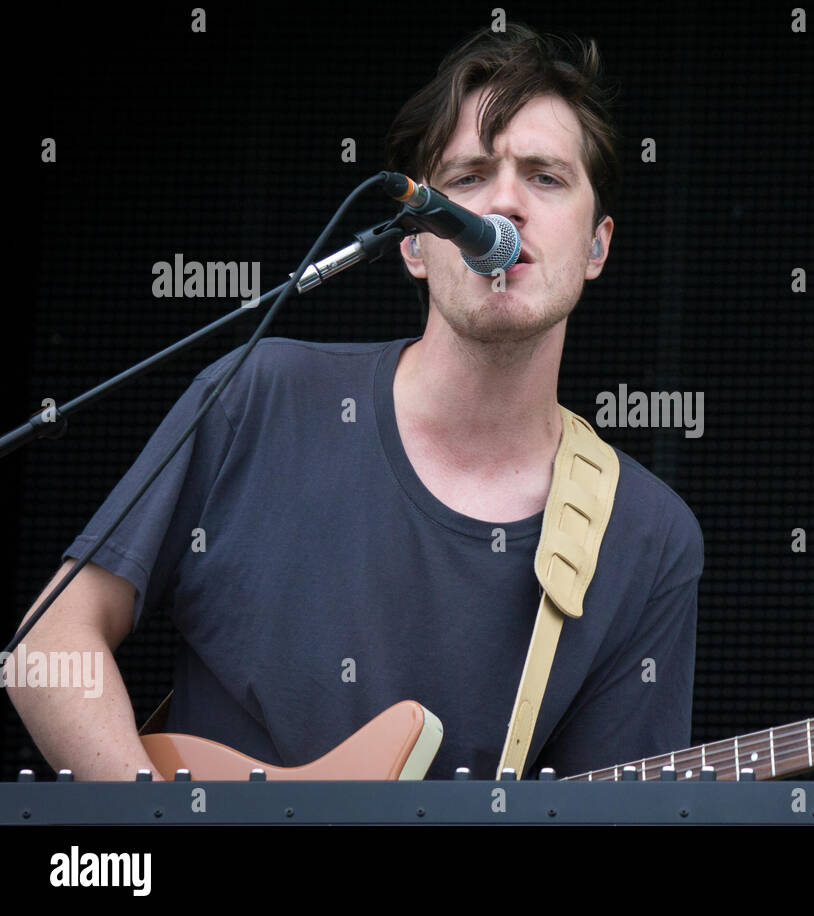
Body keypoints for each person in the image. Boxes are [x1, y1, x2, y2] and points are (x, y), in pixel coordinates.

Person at [6, 22, 703, 781]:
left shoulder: (645, 535)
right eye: (467, 179)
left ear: (598, 246)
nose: (504, 202)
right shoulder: (261, 398)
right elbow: (49, 647)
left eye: (545, 176)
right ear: (412, 241)